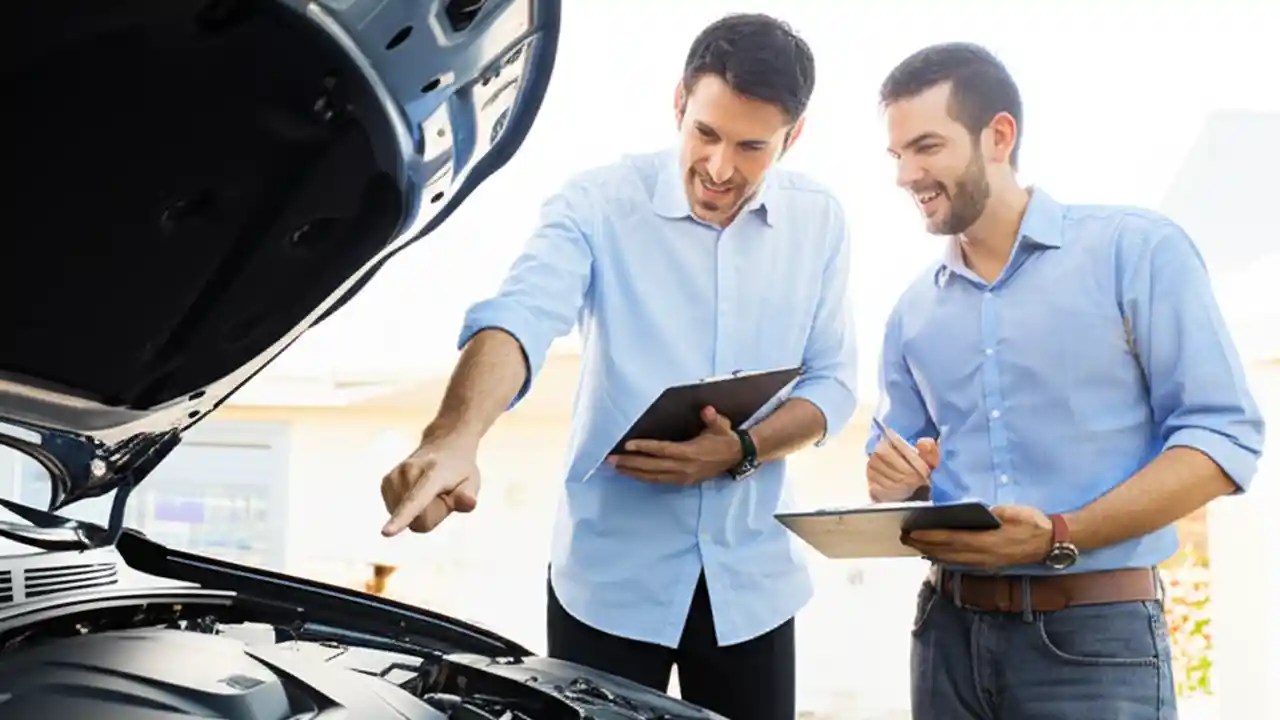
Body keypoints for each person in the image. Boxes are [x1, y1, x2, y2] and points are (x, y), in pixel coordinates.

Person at [378, 13, 857, 719]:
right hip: (607, 587)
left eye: (752, 146)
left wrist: (743, 448)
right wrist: (455, 435)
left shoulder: (821, 220)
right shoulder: (597, 204)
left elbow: (834, 381)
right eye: (706, 133)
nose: (721, 168)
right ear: (678, 104)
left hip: (751, 588)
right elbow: (520, 316)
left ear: (795, 136)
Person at [866, 42, 1265, 719]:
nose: (907, 173)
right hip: (945, 639)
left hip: (1093, 641)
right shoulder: (913, 312)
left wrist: (1059, 531)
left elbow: (1224, 439)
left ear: (998, 136)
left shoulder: (1134, 252)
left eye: (926, 146)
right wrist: (895, 479)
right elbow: (906, 473)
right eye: (896, 154)